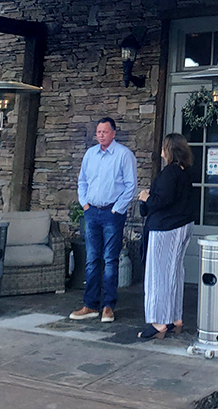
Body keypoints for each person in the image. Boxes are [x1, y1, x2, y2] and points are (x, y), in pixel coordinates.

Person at [69, 117, 137, 323]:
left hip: (111, 214)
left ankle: (108, 306)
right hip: (92, 212)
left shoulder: (124, 155)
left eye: (105, 132)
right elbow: (82, 181)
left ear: (113, 133)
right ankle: (90, 305)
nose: (101, 135)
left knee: (110, 259)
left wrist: (117, 210)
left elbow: (130, 185)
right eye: (98, 132)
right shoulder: (90, 154)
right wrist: (85, 204)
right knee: (91, 259)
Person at [137, 132, 197, 339]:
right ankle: (174, 317)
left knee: (158, 275)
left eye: (163, 147)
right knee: (175, 273)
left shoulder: (169, 173)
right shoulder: (186, 172)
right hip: (183, 226)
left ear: (169, 149)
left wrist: (145, 197)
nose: (161, 151)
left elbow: (158, 202)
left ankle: (158, 321)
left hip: (165, 229)